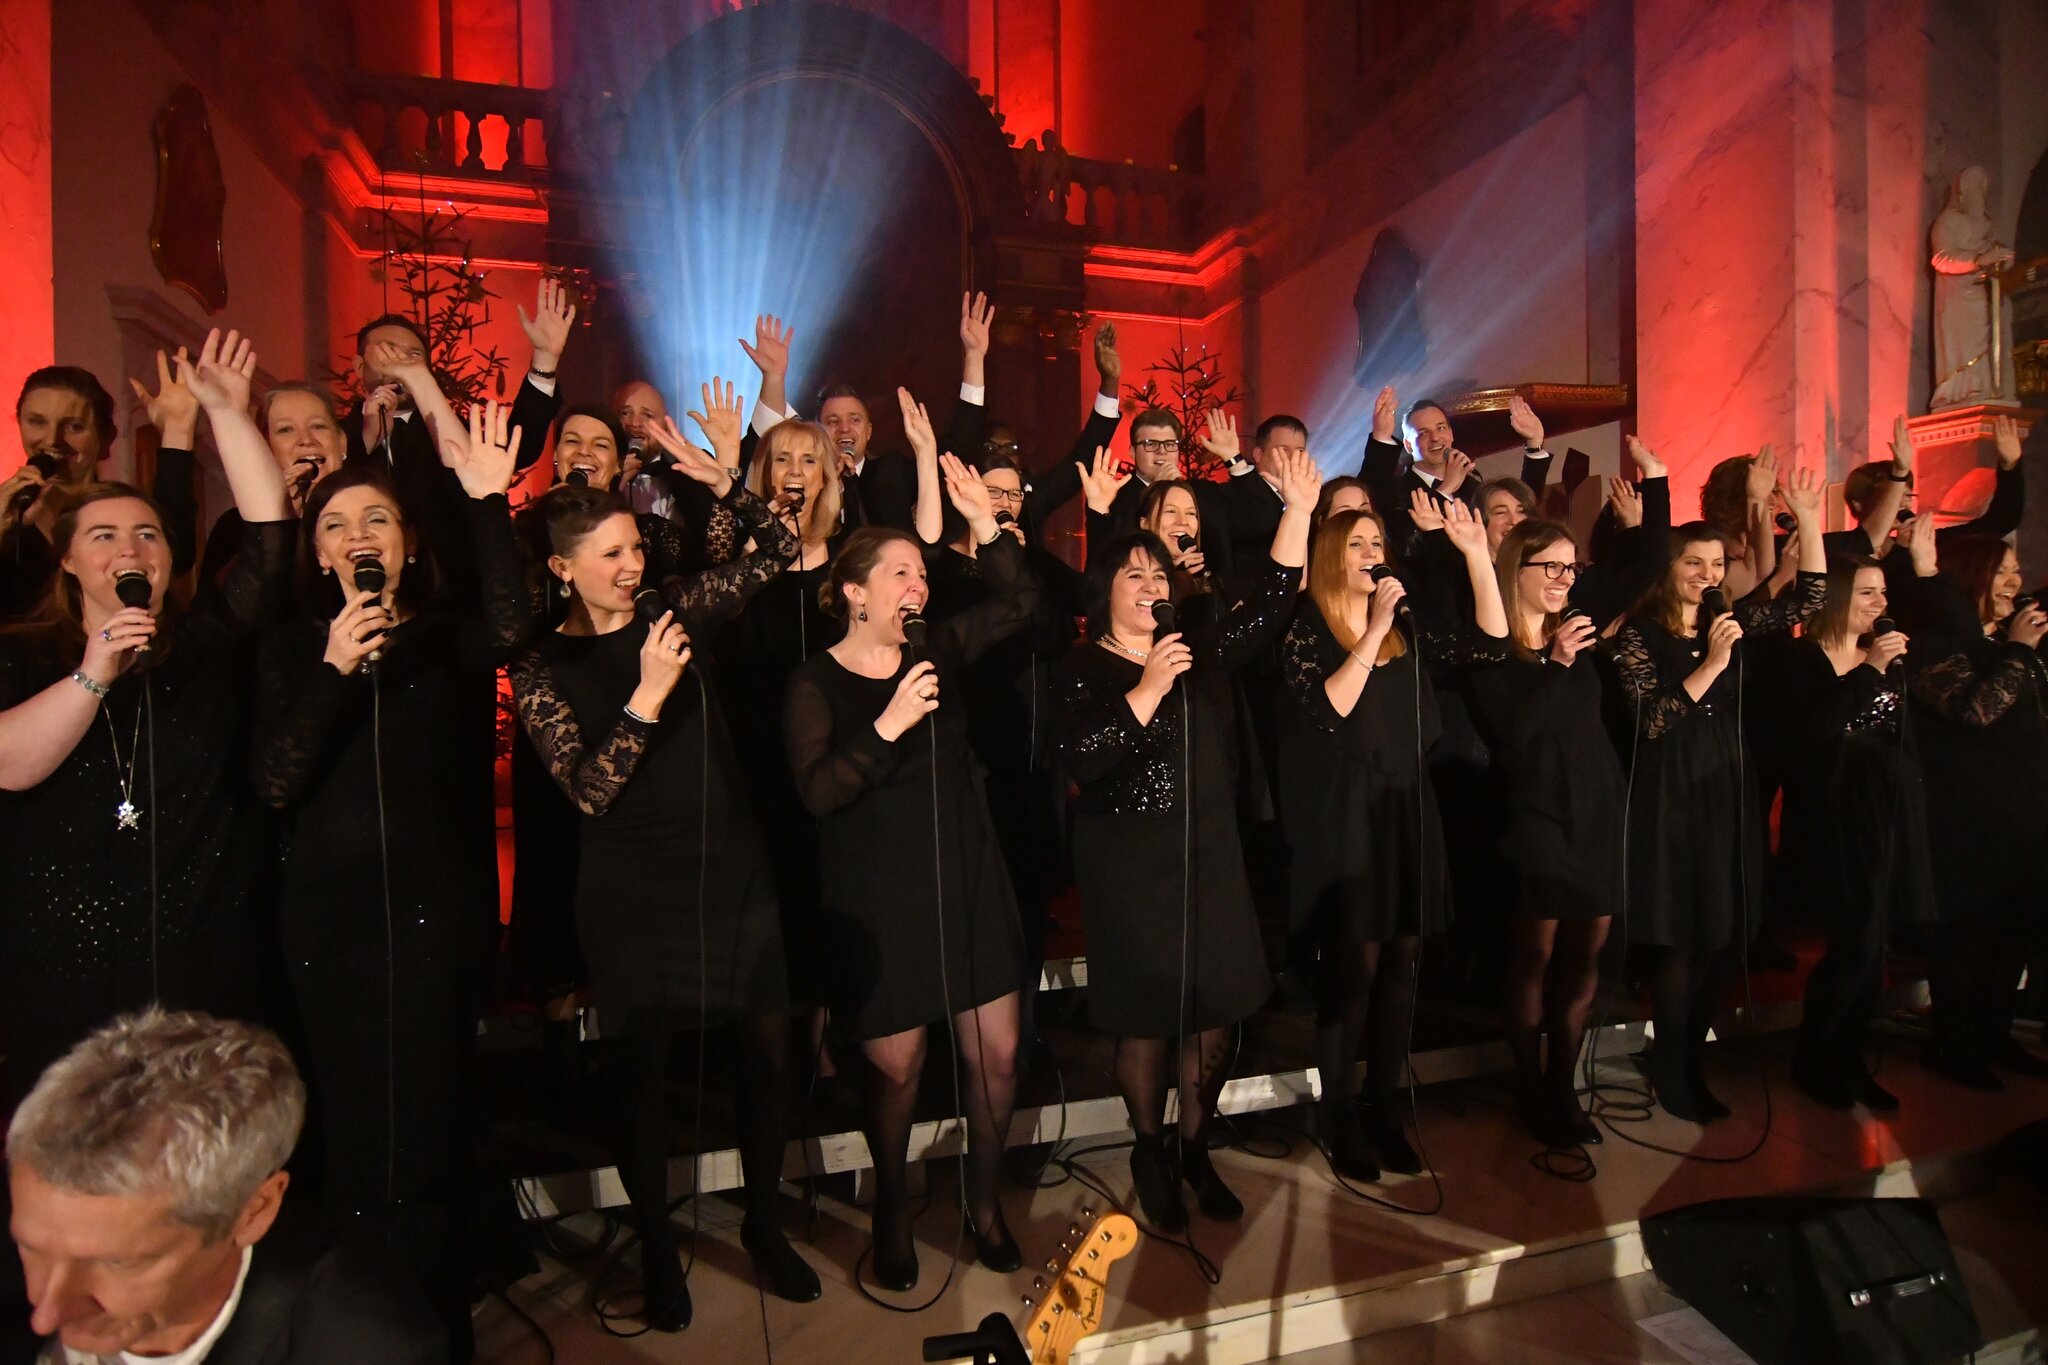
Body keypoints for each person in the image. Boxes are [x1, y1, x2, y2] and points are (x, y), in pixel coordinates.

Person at [250, 403, 529, 1357]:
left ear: (407, 543)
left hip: (435, 915)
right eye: (334, 524)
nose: (356, 536)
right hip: (329, 926)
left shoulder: (447, 639)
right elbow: (276, 780)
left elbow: (514, 621)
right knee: (355, 1130)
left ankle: (438, 1325)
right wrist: (333, 667)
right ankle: (364, 1333)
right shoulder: (293, 648)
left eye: (375, 520)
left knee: (435, 1126)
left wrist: (489, 502)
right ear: (316, 551)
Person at [511, 464, 810, 1331]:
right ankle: (651, 1244)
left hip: (732, 868)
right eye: (609, 554)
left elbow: (781, 550)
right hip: (630, 886)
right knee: (640, 1072)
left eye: (634, 546)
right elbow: (589, 791)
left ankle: (762, 1218)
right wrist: (645, 694)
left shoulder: (673, 607)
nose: (631, 565)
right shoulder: (542, 665)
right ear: (563, 567)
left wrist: (730, 480)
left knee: (766, 1051)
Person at [0, 329, 289, 1106]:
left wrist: (226, 415)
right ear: (66, 559)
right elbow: (7, 760)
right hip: (61, 969)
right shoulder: (23, 655)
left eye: (148, 534)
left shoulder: (203, 646)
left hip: (196, 959)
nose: (130, 548)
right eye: (103, 536)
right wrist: (93, 671)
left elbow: (270, 541)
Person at [783, 456, 1038, 1290]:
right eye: (899, 572)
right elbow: (818, 793)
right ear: (854, 591)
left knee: (997, 1056)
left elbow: (1019, 604)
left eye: (921, 573)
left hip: (966, 869)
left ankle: (985, 1201)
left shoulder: (938, 650)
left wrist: (989, 526)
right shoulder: (814, 681)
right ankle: (894, 1203)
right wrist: (889, 722)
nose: (916, 586)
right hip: (879, 891)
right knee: (897, 1068)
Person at [1054, 451, 1319, 1231]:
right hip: (1129, 868)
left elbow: (1271, 604)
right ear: (1105, 592)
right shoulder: (1081, 667)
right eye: (1134, 576)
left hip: (1210, 856)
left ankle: (1195, 1147)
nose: (1151, 587)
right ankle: (1147, 1146)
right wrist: (1145, 689)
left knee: (1216, 1017)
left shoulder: (1198, 647)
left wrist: (1298, 513)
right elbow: (1083, 759)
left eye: (1159, 576)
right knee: (1146, 1021)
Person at [7, 1008, 443, 1364]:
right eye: (32, 1249)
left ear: (253, 1212)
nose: (47, 1314)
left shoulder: (368, 1349)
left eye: (119, 1263)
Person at [1280, 499, 1502, 1179]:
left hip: (1406, 807)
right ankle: (1339, 1111)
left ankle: (1385, 1103)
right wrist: (1372, 630)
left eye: (1378, 541)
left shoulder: (1406, 623)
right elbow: (1326, 709)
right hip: (1344, 815)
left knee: (1403, 969)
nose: (1372, 553)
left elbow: (1487, 645)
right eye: (1357, 544)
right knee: (1354, 972)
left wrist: (1477, 556)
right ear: (1329, 556)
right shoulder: (1307, 627)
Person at [1606, 465, 1828, 1122]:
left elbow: (1808, 601)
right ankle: (1672, 1065)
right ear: (1668, 568)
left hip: (1728, 790)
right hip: (1672, 798)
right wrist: (1708, 665)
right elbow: (1653, 721)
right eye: (1694, 562)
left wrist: (1810, 520)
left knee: (1727, 939)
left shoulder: (1727, 619)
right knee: (1684, 940)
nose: (1708, 572)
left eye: (1716, 561)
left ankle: (1687, 1054)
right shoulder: (1641, 637)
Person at [1767, 529, 1937, 1111]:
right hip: (1833, 821)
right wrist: (1868, 669)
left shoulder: (1885, 652)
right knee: (1853, 946)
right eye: (1867, 593)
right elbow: (1816, 734)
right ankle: (1818, 1059)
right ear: (1838, 595)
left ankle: (1850, 1059)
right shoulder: (1800, 657)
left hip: (1885, 813)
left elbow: (1900, 734)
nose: (1879, 604)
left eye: (1882, 592)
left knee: (1877, 947)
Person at [1470, 519, 1625, 1146]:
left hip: (1594, 812)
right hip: (1536, 818)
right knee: (1534, 960)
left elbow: (1641, 569)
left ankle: (1564, 1087)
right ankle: (1530, 1089)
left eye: (1571, 568)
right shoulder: (1495, 645)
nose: (1565, 580)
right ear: (1519, 572)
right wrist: (1556, 663)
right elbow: (1516, 735)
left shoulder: (1579, 633)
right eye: (1551, 568)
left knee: (1584, 958)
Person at [1907, 534, 2048, 1090]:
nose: (2015, 582)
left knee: (2014, 931)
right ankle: (1951, 1043)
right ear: (1971, 578)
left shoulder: (2011, 642)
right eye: (2003, 571)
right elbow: (1977, 709)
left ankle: (1995, 1033)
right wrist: (2017, 651)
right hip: (1967, 815)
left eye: (2017, 569)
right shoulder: (1934, 644)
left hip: (2026, 807)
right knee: (1967, 932)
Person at [342, 280, 568, 600]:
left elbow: (519, 446)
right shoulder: (340, 434)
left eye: (413, 355)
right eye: (387, 350)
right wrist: (367, 434)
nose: (401, 361)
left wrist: (544, 360)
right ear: (359, 366)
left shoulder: (446, 427)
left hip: (451, 598)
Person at [1360, 387, 1552, 560]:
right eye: (1423, 433)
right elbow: (1406, 549)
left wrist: (1534, 444)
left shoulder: (1475, 487)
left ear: (1451, 435)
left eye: (1441, 428)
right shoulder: (1395, 492)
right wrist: (1444, 491)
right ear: (1408, 445)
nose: (1435, 438)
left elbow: (1523, 511)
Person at [0, 366, 121, 620]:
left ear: (106, 438)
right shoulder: (12, 512)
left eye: (74, 427)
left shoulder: (124, 516)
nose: (52, 439)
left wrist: (178, 431)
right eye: (37, 422)